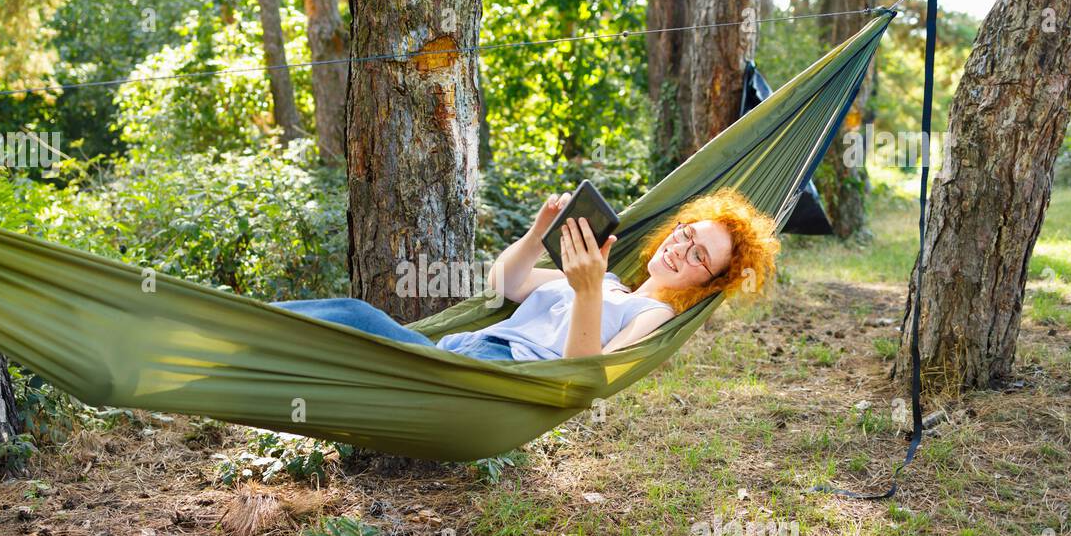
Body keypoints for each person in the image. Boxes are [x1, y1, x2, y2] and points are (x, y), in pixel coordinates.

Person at [274, 186, 780, 361]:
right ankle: (236, 340)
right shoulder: (605, 281)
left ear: (710, 281)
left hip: (496, 376)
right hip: (456, 350)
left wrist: (585, 292)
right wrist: (540, 232)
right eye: (687, 234)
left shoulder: (651, 314)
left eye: (699, 256)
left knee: (352, 316)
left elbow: (586, 375)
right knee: (346, 339)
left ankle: (227, 335)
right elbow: (505, 285)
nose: (681, 249)